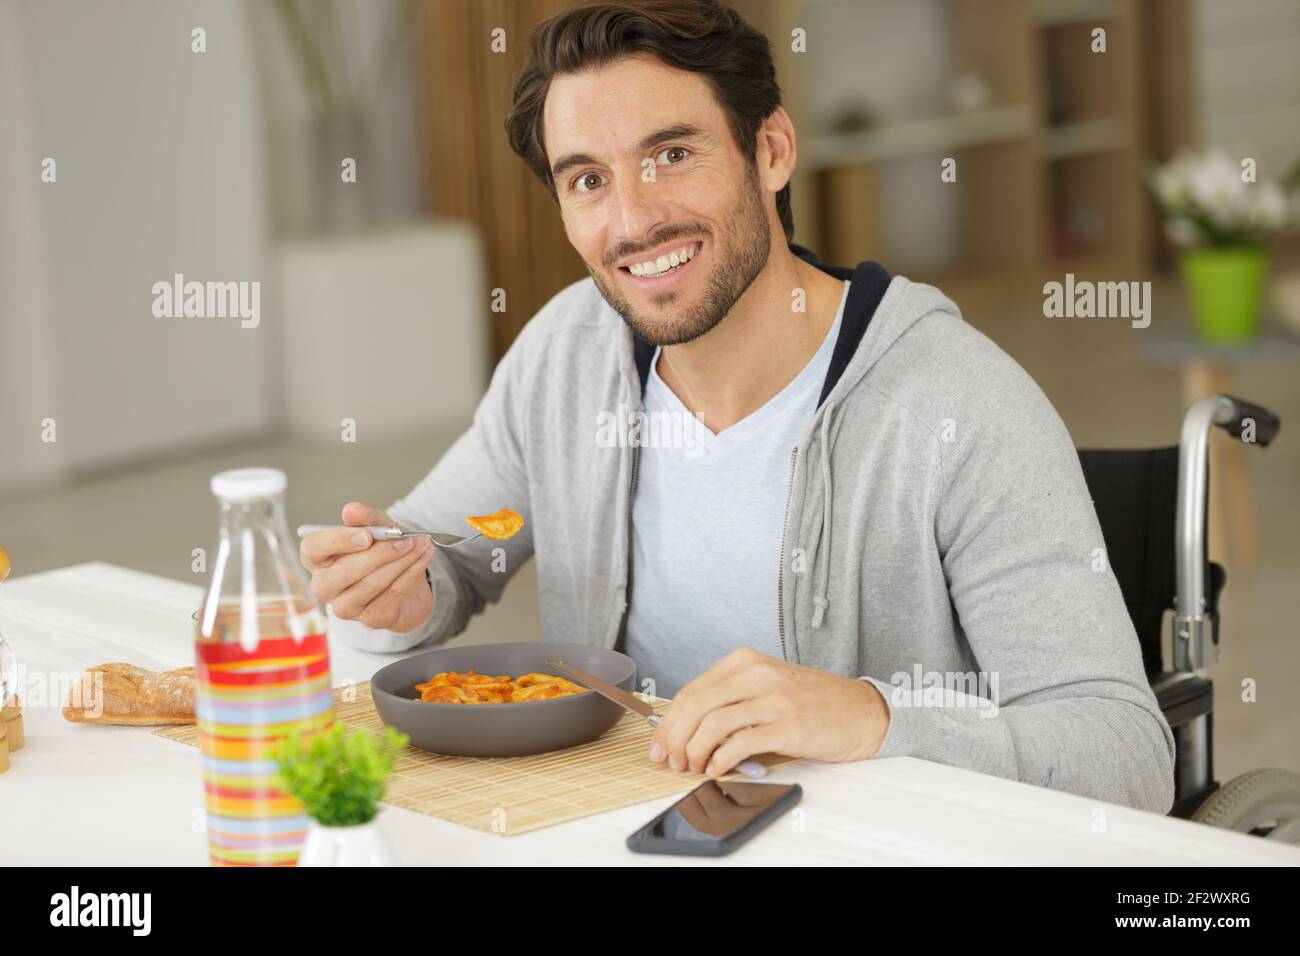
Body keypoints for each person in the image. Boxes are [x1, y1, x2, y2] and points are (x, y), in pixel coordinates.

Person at [300, 0, 1174, 813]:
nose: (634, 220)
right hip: (623, 828)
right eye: (588, 181)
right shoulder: (568, 352)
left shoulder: (962, 405)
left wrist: (871, 718)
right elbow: (453, 554)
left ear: (772, 150)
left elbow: (1125, 755)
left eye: (671, 155)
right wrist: (400, 592)